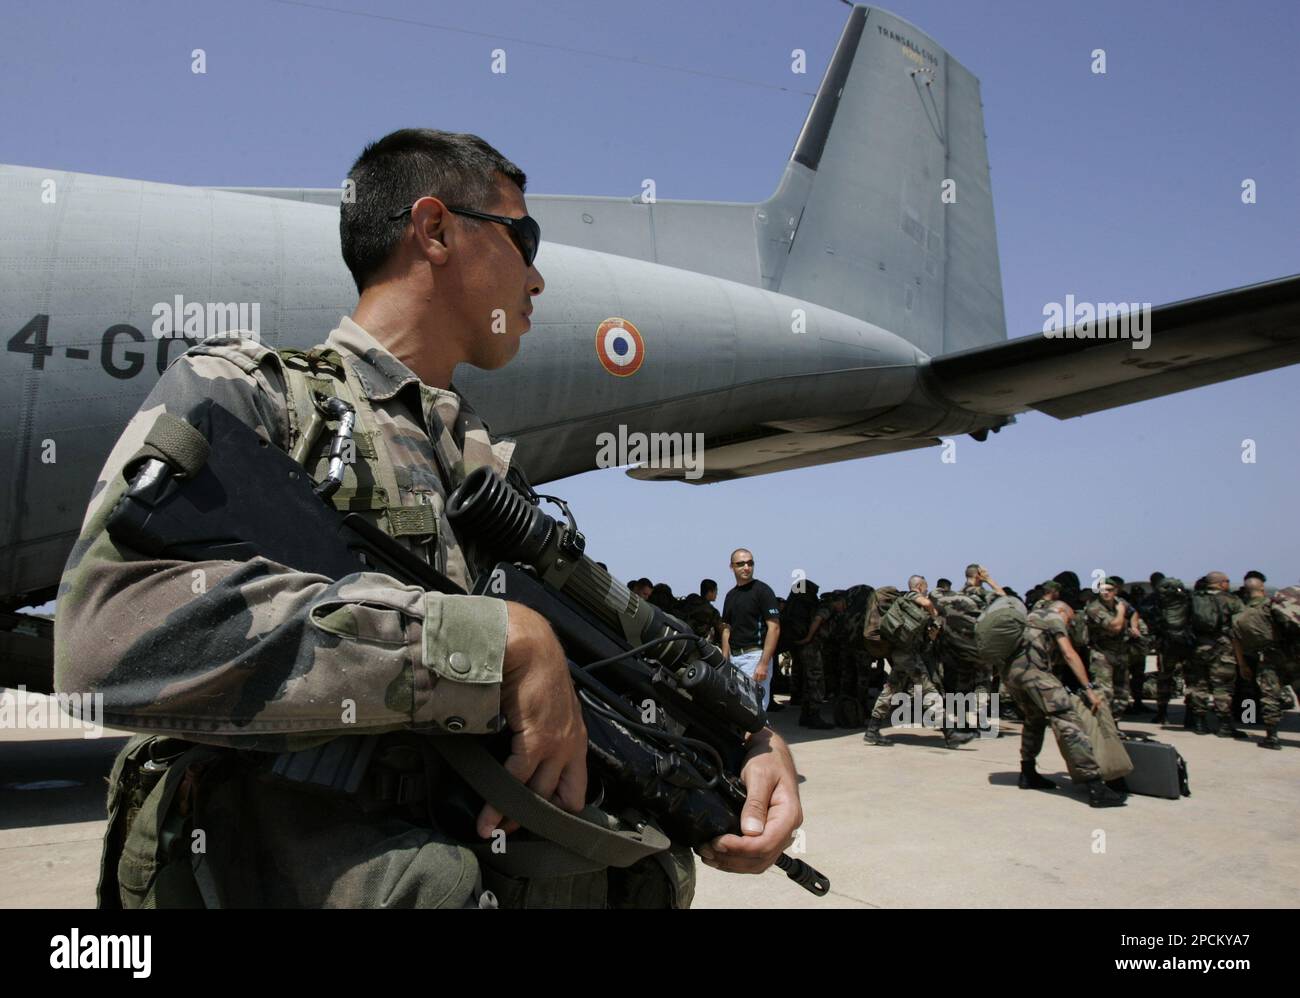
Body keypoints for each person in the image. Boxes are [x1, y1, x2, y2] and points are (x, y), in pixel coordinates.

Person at [55, 128, 802, 908]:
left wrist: (744, 738)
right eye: (525, 238)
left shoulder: (483, 465)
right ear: (436, 230)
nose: (538, 279)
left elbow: (615, 643)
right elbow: (104, 634)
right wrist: (486, 648)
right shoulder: (253, 396)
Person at [1003, 602, 1126, 807]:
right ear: (1062, 611)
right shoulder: (1053, 617)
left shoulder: (1028, 617)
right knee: (1068, 722)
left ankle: (1028, 772)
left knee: (1033, 720)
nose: (1069, 623)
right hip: (1036, 675)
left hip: (1011, 676)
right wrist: (1088, 688)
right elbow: (1068, 653)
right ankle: (1095, 787)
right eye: (1069, 618)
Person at [863, 576, 977, 749]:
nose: (926, 589)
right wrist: (934, 613)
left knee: (890, 689)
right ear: (920, 585)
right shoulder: (910, 596)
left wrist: (931, 631)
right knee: (929, 691)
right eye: (925, 586)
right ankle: (950, 734)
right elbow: (925, 602)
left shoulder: (909, 606)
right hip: (909, 656)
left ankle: (872, 730)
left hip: (902, 654)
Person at [720, 549, 782, 711]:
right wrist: (724, 661)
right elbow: (727, 629)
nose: (746, 567)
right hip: (734, 660)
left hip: (755, 658)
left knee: (754, 712)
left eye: (750, 563)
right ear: (731, 567)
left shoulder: (763, 591)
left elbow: (774, 628)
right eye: (741, 564)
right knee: (738, 712)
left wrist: (763, 663)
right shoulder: (730, 596)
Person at [1188, 571, 1248, 738]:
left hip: (1199, 648)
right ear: (1222, 583)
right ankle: (1224, 726)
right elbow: (1241, 626)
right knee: (1223, 687)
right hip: (1223, 648)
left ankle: (1200, 723)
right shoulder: (1232, 600)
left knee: (1199, 685)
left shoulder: (1193, 599)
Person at [1083, 579, 1138, 718]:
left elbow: (1134, 612)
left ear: (1115, 591)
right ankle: (1103, 725)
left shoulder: (1120, 602)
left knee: (1122, 692)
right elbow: (1115, 627)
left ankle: (1115, 723)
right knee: (1104, 692)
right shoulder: (1094, 608)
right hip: (1102, 654)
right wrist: (1120, 612)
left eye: (1109, 590)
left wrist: (1134, 626)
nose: (1106, 593)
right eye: (1103, 590)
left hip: (1120, 652)